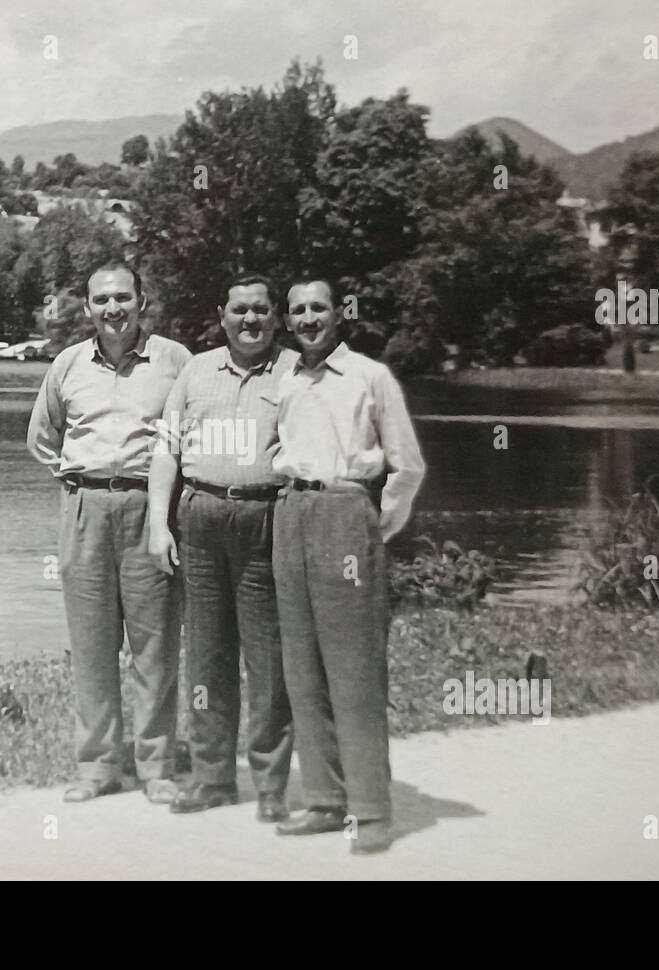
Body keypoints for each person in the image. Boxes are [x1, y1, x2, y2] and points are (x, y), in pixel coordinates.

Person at [269, 278, 426, 854]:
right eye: (299, 310)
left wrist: (369, 524)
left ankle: (371, 809)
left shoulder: (370, 377)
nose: (309, 318)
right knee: (302, 668)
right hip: (291, 511)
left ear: (339, 314)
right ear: (288, 320)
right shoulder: (284, 377)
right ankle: (324, 798)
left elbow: (406, 467)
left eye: (319, 307)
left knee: (354, 668)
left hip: (344, 512)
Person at [27, 262, 192, 803]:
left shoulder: (175, 361)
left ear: (142, 302)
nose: (113, 309)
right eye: (102, 300)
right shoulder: (68, 364)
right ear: (88, 308)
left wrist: (167, 500)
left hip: (152, 509)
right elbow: (42, 437)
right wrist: (80, 477)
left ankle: (157, 767)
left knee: (155, 645)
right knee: (93, 645)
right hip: (85, 510)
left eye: (123, 297)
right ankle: (98, 767)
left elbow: (198, 434)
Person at [147, 273, 298, 823]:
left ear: (275, 316)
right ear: (221, 314)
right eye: (239, 310)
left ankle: (271, 783)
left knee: (269, 658)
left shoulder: (296, 372)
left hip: (267, 518)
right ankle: (212, 778)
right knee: (207, 654)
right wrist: (158, 525)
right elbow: (165, 452)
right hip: (200, 518)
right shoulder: (193, 371)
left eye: (261, 310)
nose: (250, 320)